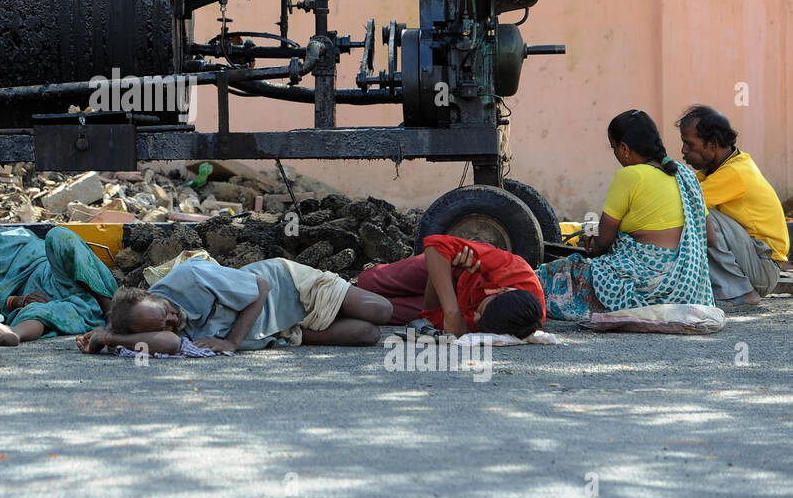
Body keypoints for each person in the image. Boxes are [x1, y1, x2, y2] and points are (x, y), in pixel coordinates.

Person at [536, 109, 721, 332]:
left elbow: (603, 243)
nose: (616, 154)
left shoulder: (630, 176)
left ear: (624, 149)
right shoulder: (686, 176)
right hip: (686, 291)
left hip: (643, 285)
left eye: (614, 148)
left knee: (554, 276)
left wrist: (594, 242)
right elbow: (709, 238)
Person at [76, 256, 393, 355]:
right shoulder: (141, 323)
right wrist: (108, 338)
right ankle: (295, 334)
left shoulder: (191, 276)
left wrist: (231, 341)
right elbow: (169, 342)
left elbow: (262, 287)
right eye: (165, 324)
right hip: (276, 329)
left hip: (288, 286)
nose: (173, 320)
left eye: (166, 312)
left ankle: (378, 280)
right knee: (368, 334)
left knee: (382, 312)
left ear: (152, 294)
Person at [0, 186, 116, 345]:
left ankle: (112, 317)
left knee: (60, 236)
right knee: (39, 311)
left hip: (60, 269)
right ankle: (13, 333)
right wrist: (14, 301)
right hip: (36, 288)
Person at [677, 105, 788, 304]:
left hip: (763, 267)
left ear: (713, 144)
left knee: (696, 211)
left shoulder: (735, 173)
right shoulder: (714, 171)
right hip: (754, 259)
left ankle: (740, 293)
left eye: (689, 144)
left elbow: (679, 201)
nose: (683, 150)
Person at [356, 239, 546, 338]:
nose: (475, 317)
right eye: (481, 309)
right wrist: (452, 312)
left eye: (479, 321)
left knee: (373, 310)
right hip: (452, 267)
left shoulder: (509, 323)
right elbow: (436, 247)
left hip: (442, 298)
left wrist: (447, 312)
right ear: (502, 290)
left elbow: (430, 316)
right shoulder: (511, 268)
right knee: (367, 282)